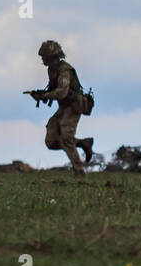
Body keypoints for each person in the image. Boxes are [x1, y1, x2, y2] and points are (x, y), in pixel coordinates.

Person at [28, 40, 94, 178]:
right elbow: (54, 91)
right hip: (64, 107)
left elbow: (62, 92)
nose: (42, 58)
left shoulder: (64, 70)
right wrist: (40, 95)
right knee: (51, 141)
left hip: (74, 107)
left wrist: (45, 95)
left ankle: (80, 173)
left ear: (51, 56)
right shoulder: (51, 70)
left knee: (66, 139)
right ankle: (83, 143)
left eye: (44, 56)